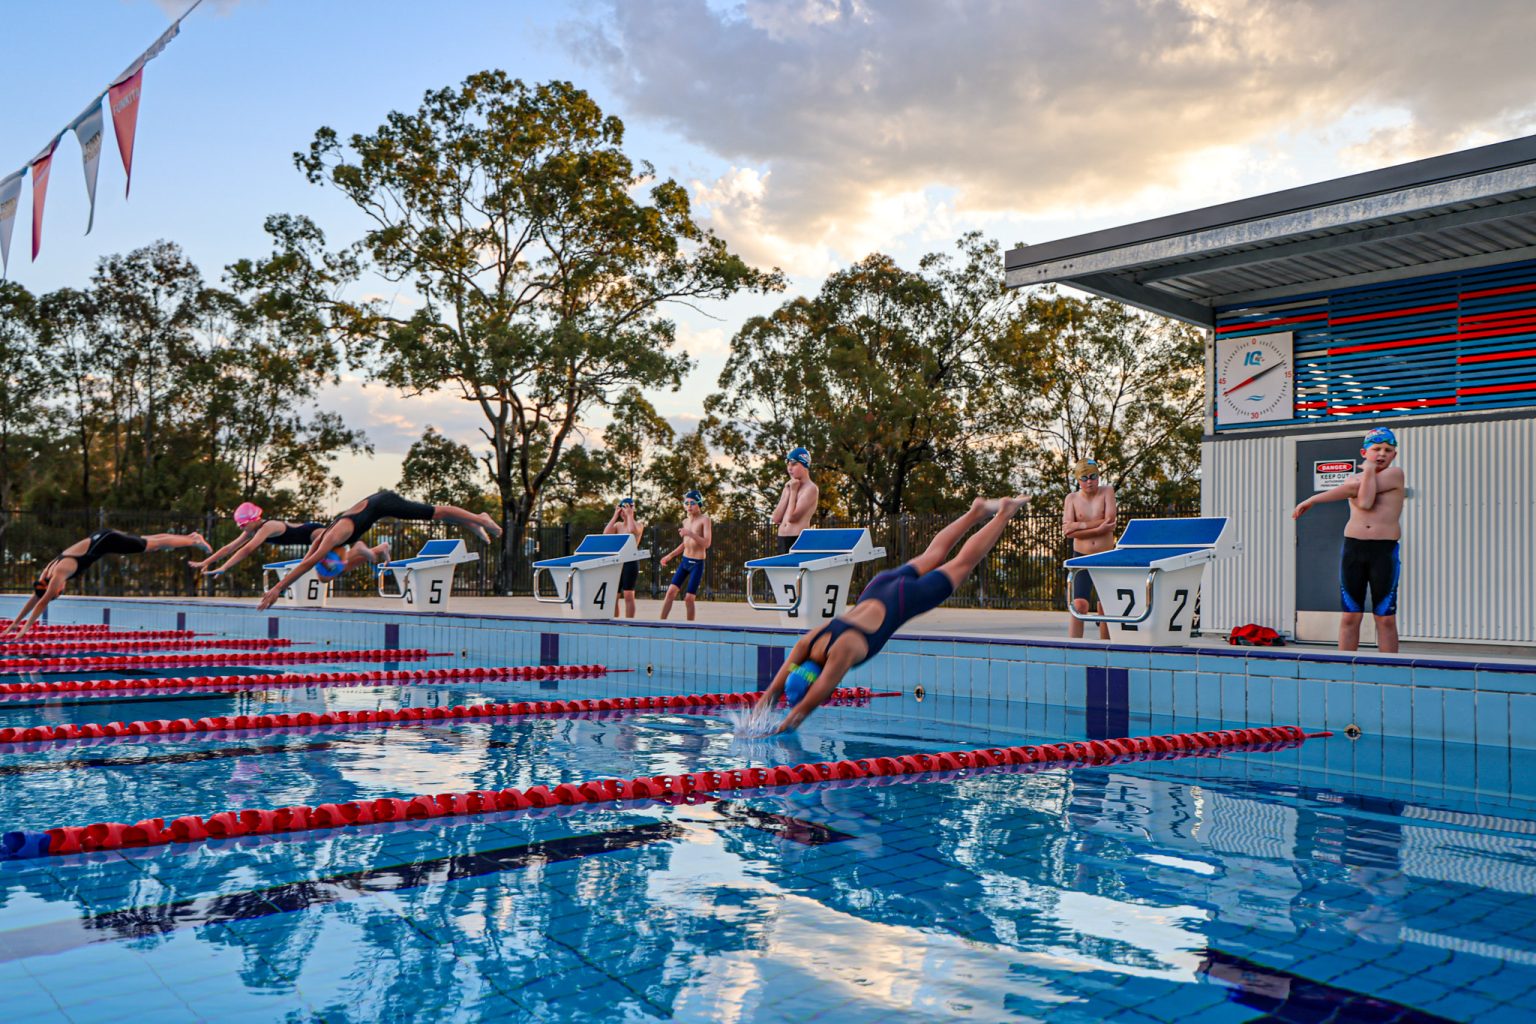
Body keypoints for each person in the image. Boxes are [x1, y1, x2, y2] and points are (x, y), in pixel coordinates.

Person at [753, 495, 1031, 733]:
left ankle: (1003, 514)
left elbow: (817, 694)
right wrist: (754, 719)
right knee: (934, 552)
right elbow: (774, 690)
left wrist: (789, 723)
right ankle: (975, 512)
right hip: (880, 587)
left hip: (905, 599)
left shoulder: (843, 651)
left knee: (963, 563)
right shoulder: (809, 642)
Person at [257, 490, 500, 611]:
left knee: (437, 512)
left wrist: (278, 588)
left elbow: (306, 563)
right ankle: (367, 549)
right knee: (324, 575)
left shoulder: (332, 537)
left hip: (383, 502)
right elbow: (312, 564)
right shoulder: (330, 539)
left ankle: (479, 518)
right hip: (365, 519)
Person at [1293, 427, 1405, 653]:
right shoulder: (1354, 479)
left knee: (1384, 618)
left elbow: (1364, 500)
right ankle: (1345, 667)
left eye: (1388, 450)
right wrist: (1312, 500)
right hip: (1354, 549)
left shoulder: (1395, 474)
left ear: (1394, 455)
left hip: (1383, 552)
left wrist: (1369, 471)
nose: (1382, 454)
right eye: (1376, 449)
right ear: (1364, 453)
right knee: (1350, 615)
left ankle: (1392, 670)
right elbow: (1353, 488)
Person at [1, 528, 211, 638]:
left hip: (108, 541)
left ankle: (194, 541)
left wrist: (25, 628)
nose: (61, 590)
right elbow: (35, 598)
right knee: (151, 541)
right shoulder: (46, 573)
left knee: (153, 544)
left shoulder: (59, 574)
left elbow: (42, 602)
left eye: (58, 592)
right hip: (103, 537)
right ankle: (190, 536)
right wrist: (12, 625)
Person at [192, 502, 388, 578]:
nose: (240, 528)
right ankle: (376, 550)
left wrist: (225, 567)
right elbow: (229, 547)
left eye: (242, 524)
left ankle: (363, 549)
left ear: (253, 520)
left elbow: (247, 550)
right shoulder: (252, 530)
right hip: (316, 536)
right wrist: (206, 562)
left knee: (326, 573)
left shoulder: (266, 527)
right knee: (327, 574)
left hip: (317, 535)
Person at [1062, 458, 1116, 640]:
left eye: (1093, 476)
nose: (1089, 481)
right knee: (1079, 605)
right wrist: (1097, 528)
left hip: (1105, 556)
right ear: (1078, 480)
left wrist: (1079, 526)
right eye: (1084, 478)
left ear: (1098, 476)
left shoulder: (1107, 492)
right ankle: (1074, 647)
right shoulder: (1071, 499)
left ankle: (1106, 648)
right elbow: (1068, 532)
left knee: (1105, 606)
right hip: (1081, 557)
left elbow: (1110, 521)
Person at [658, 490, 712, 621]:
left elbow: (707, 543)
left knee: (689, 599)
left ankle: (690, 627)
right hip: (685, 562)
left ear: (699, 503)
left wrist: (690, 534)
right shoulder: (685, 521)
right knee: (670, 592)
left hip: (697, 564)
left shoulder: (705, 520)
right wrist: (669, 556)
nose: (689, 506)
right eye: (686, 503)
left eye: (692, 503)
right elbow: (685, 544)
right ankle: (659, 623)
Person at [770, 447, 820, 554]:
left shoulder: (811, 489)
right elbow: (775, 518)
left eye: (794, 464)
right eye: (788, 464)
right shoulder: (789, 486)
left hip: (797, 539)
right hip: (782, 538)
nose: (789, 468)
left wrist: (793, 492)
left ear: (804, 465)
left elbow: (792, 518)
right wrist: (787, 492)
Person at [605, 497, 645, 619]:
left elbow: (632, 530)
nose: (625, 511)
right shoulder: (618, 525)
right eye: (623, 509)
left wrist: (630, 515)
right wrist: (614, 516)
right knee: (614, 596)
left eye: (628, 508)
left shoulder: (639, 525)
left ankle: (629, 624)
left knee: (628, 595)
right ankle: (615, 622)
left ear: (633, 510)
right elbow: (606, 533)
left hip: (630, 562)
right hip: (617, 562)